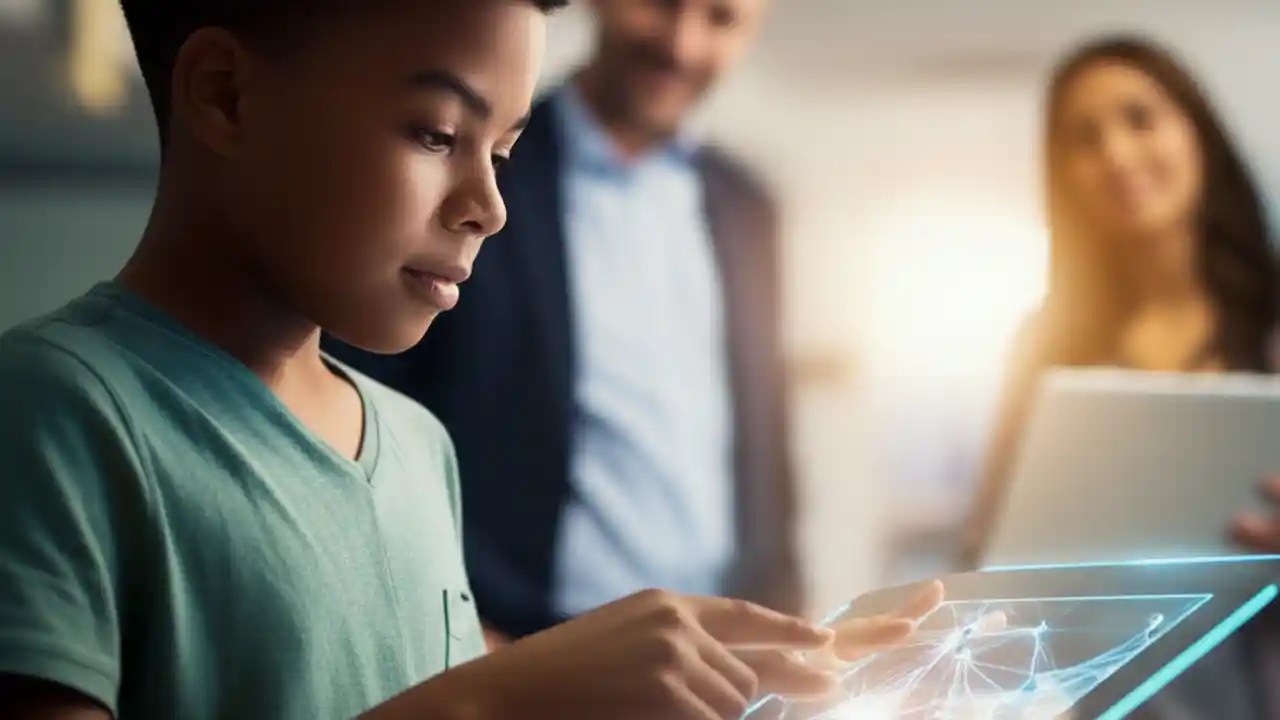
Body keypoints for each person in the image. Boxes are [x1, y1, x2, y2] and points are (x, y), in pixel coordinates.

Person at [0, 1, 946, 718]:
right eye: (436, 134)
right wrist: (501, 693)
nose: (490, 205)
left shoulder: (416, 448)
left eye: (503, 148)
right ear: (226, 94)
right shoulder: (53, 413)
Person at [328, 0, 801, 645]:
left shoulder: (749, 205)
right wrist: (460, 636)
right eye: (661, 5)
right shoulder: (480, 170)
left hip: (724, 653)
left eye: (720, 18)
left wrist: (789, 616)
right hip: (514, 648)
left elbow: (765, 436)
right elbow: (360, 397)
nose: (682, 45)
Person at [963, 37, 1280, 566]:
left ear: (1198, 134)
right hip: (1097, 644)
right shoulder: (1043, 342)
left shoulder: (1271, 318)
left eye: (1140, 120)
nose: (1116, 155)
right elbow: (990, 543)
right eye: (1085, 138)